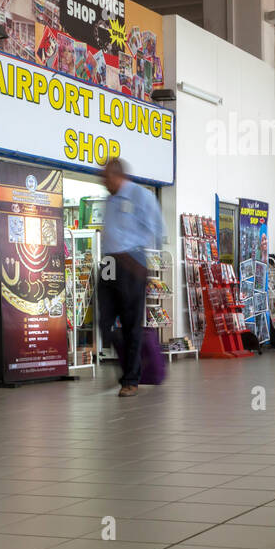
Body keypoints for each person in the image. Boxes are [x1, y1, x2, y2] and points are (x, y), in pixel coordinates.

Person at [97, 158, 165, 397]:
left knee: (130, 325)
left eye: (105, 178)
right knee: (104, 318)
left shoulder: (141, 196)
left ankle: (131, 379)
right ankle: (122, 361)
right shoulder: (109, 199)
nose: (103, 183)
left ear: (117, 176)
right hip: (108, 262)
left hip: (132, 263)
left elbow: (159, 229)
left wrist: (141, 259)